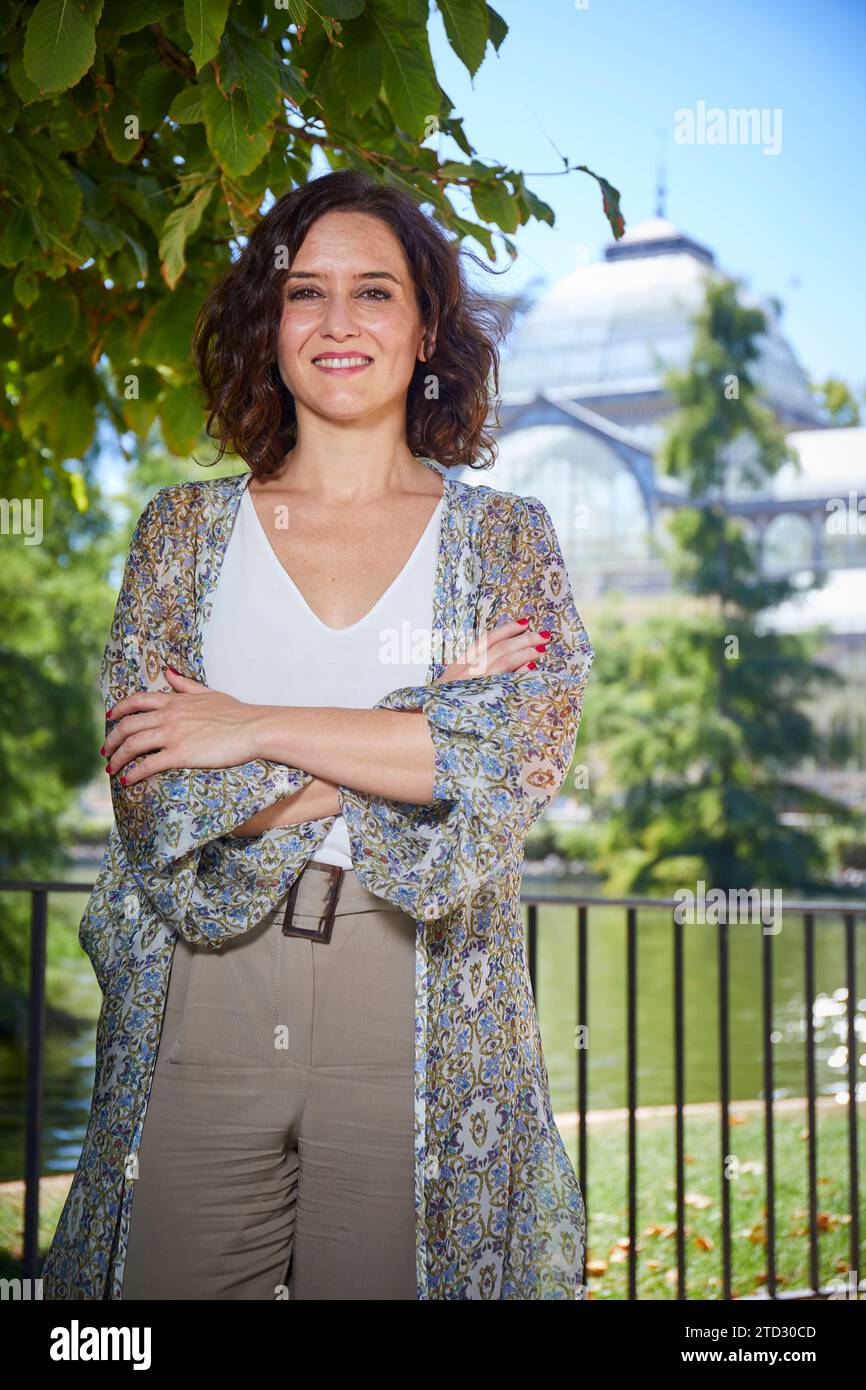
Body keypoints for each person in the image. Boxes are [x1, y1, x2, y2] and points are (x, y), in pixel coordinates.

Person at [42, 168, 594, 1301]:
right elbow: (158, 803)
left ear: (426, 325)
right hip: (204, 992)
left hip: (421, 989)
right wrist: (417, 728)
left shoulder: (504, 540)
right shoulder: (180, 534)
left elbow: (501, 771)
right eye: (305, 294)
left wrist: (246, 727)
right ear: (272, 323)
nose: (338, 323)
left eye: (375, 293)